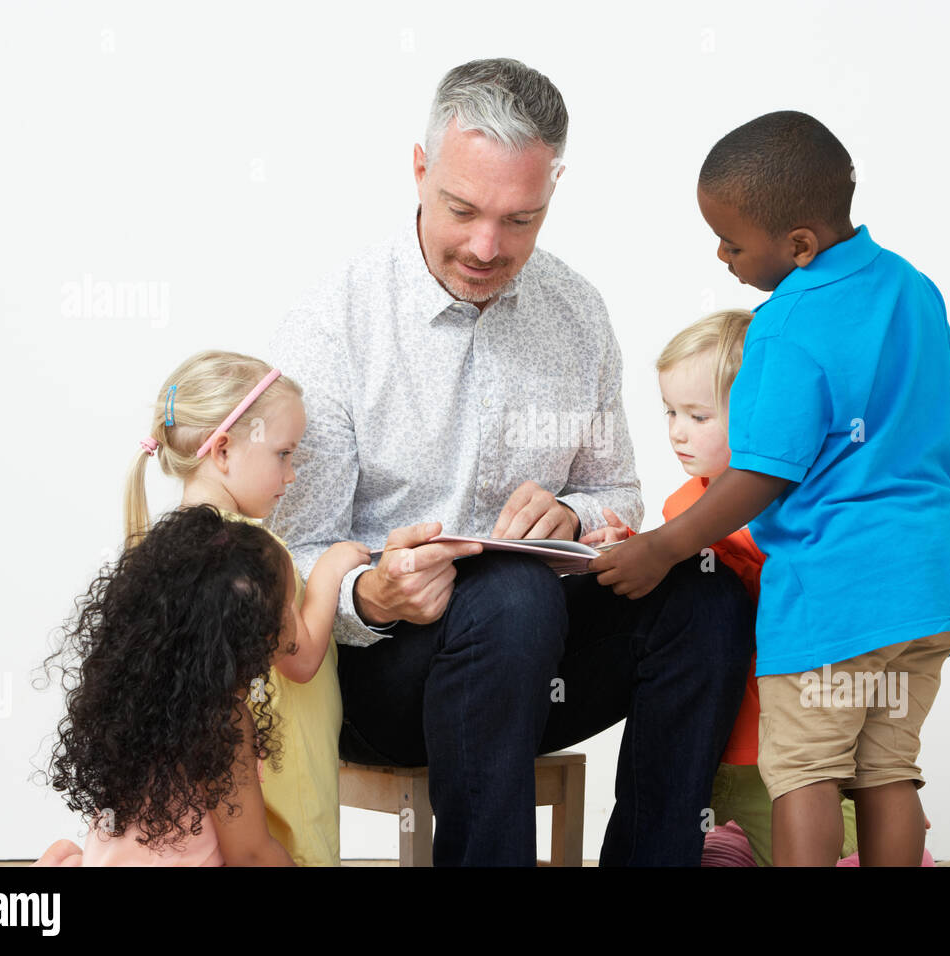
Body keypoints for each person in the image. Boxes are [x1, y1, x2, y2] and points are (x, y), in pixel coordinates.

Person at [266, 58, 753, 865]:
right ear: (420, 170)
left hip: (537, 662)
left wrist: (579, 516)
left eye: (521, 220)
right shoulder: (335, 324)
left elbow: (616, 491)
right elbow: (290, 552)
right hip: (379, 678)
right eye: (462, 209)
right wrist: (376, 593)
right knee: (512, 596)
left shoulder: (576, 311)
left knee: (706, 591)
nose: (488, 247)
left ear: (553, 191)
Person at [591, 111, 950, 866]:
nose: (722, 254)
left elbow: (765, 470)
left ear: (798, 244)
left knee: (804, 772)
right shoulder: (913, 288)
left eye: (733, 242)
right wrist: (911, 509)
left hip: (835, 596)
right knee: (888, 772)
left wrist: (664, 548)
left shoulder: (785, 323)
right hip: (929, 584)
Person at [585, 308, 860, 866]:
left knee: (834, 848)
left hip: (783, 749)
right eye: (670, 412)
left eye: (699, 415)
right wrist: (633, 546)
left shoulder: (793, 513)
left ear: (764, 417)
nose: (677, 432)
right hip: (715, 746)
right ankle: (729, 844)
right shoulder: (685, 506)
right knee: (715, 842)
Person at [120, 350, 370, 866]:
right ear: (225, 451)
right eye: (284, 453)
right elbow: (298, 660)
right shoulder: (254, 549)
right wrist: (330, 569)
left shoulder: (169, 543)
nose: (292, 474)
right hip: (276, 757)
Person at [33, 505, 303, 866]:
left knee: (68, 854)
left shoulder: (143, 702)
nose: (295, 613)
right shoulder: (223, 723)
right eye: (288, 605)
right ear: (258, 634)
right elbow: (251, 854)